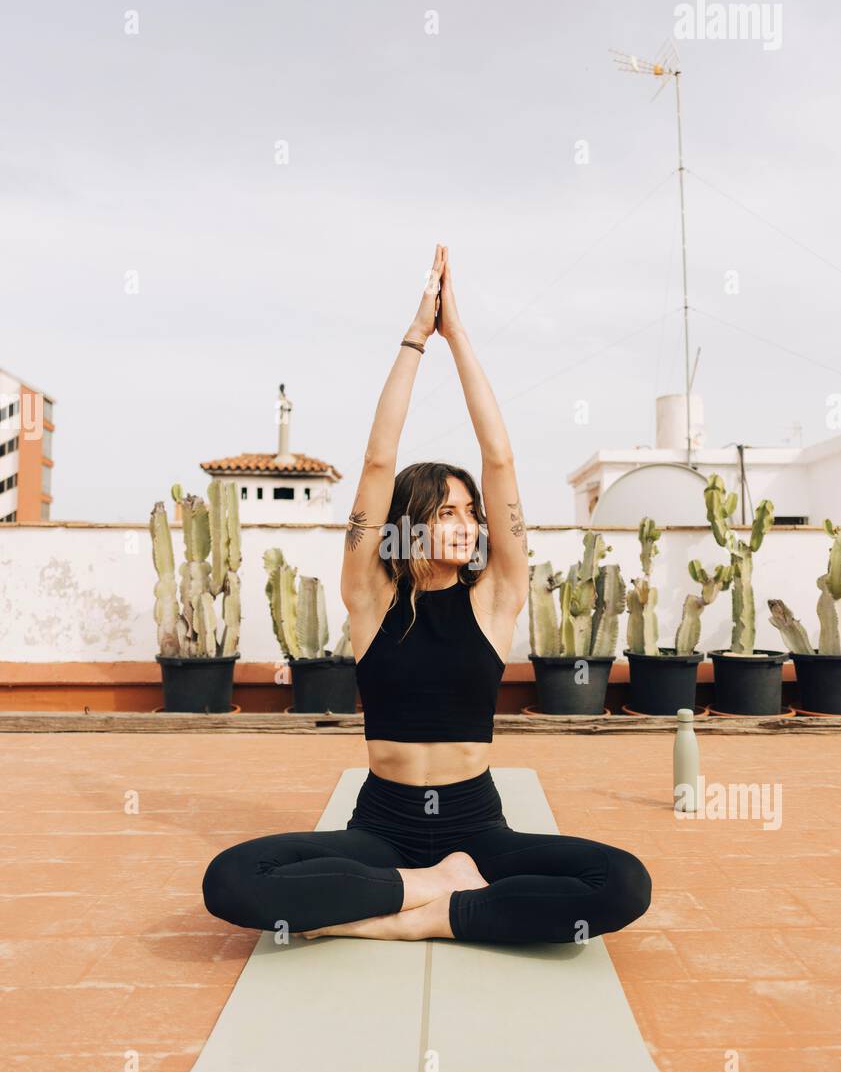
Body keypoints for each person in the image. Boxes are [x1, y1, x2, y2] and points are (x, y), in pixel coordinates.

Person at [202, 244, 651, 944]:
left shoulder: (494, 596)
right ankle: (430, 891)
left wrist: (459, 336)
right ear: (408, 524)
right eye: (446, 511)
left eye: (470, 512)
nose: (467, 524)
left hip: (477, 827)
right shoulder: (369, 596)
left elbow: (499, 458)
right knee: (230, 879)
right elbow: (378, 459)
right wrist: (415, 337)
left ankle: (421, 920)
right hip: (382, 827)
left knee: (622, 883)